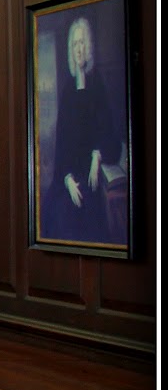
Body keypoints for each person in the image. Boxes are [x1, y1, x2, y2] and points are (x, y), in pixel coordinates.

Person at [42, 14, 124, 245]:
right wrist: (67, 180)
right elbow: (62, 143)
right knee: (55, 212)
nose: (79, 49)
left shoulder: (97, 84)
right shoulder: (68, 91)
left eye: (82, 43)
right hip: (69, 173)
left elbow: (110, 136)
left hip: (91, 174)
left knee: (87, 216)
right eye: (75, 44)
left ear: (88, 47)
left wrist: (97, 157)